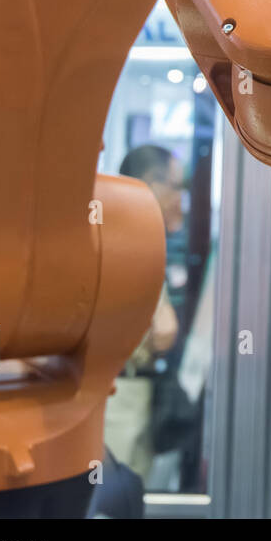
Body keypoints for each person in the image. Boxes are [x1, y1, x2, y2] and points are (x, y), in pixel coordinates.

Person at [90, 144, 182, 516]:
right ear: (149, 185)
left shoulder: (117, 233)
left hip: (124, 393)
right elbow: (164, 331)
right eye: (176, 186)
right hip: (119, 397)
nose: (181, 198)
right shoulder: (127, 241)